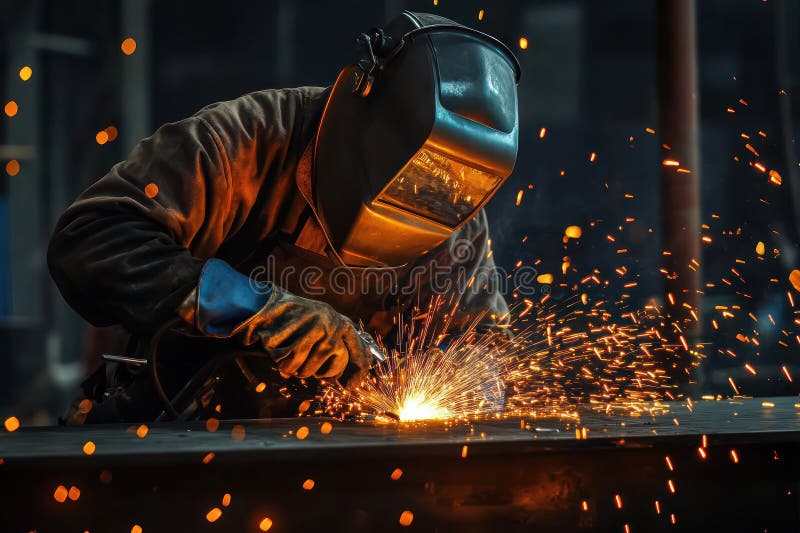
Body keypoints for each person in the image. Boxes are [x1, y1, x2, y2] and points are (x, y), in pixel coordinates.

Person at [48, 11, 520, 423]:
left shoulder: (451, 201)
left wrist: (467, 376)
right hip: (174, 426)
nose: (419, 197)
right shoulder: (246, 140)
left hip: (337, 456)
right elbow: (91, 237)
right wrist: (257, 308)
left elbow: (482, 343)